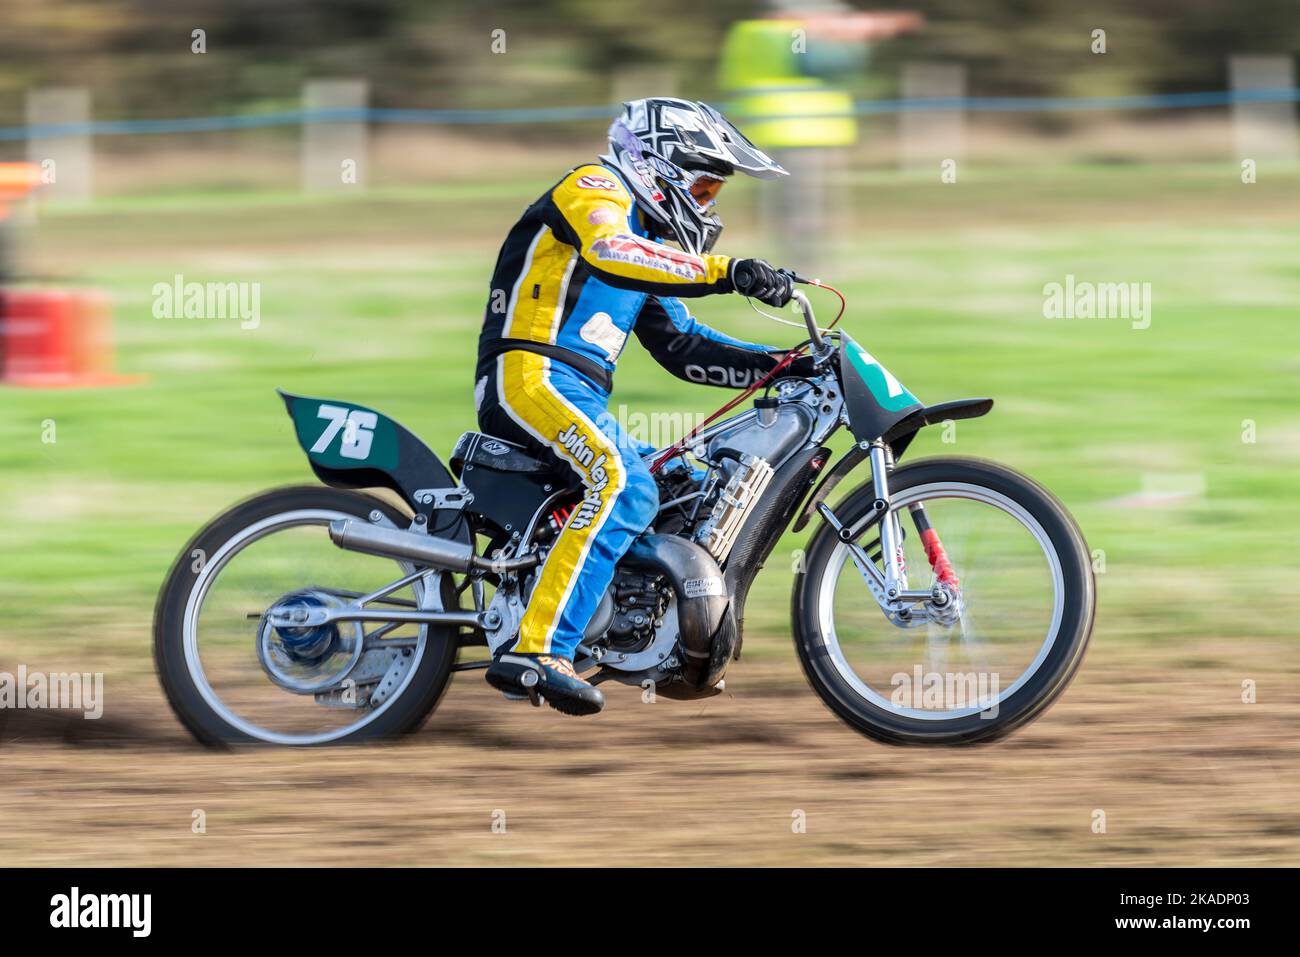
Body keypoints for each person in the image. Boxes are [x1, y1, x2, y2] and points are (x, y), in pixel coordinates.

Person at [476, 97, 811, 715]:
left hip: (575, 391)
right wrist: (726, 271)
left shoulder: (645, 241)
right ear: (659, 163)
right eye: (706, 184)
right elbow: (610, 250)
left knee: (679, 482)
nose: (709, 203)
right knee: (624, 483)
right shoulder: (595, 188)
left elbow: (682, 345)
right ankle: (538, 649)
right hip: (529, 376)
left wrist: (782, 364)